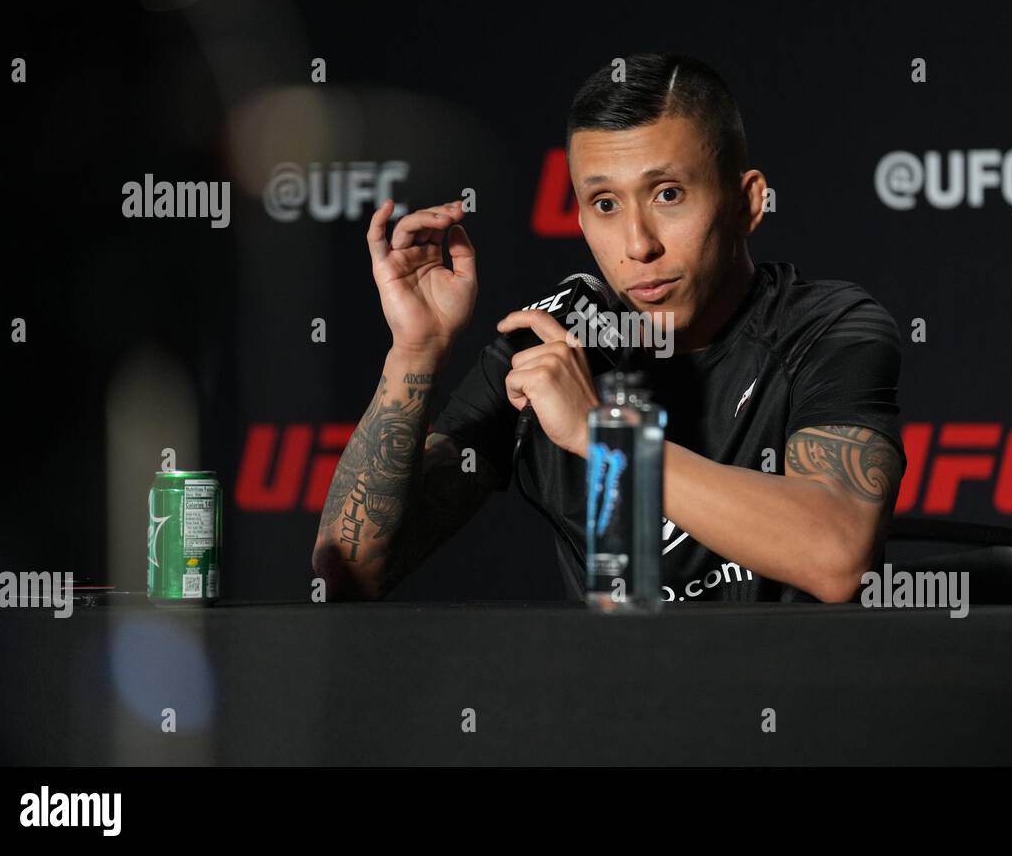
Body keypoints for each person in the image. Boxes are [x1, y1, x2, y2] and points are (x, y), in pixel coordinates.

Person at [311, 52, 906, 604]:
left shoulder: (829, 327)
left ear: (749, 202)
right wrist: (416, 351)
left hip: (793, 700)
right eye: (605, 204)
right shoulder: (551, 343)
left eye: (668, 194)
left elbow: (835, 556)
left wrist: (602, 438)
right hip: (617, 703)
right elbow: (350, 572)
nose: (637, 244)